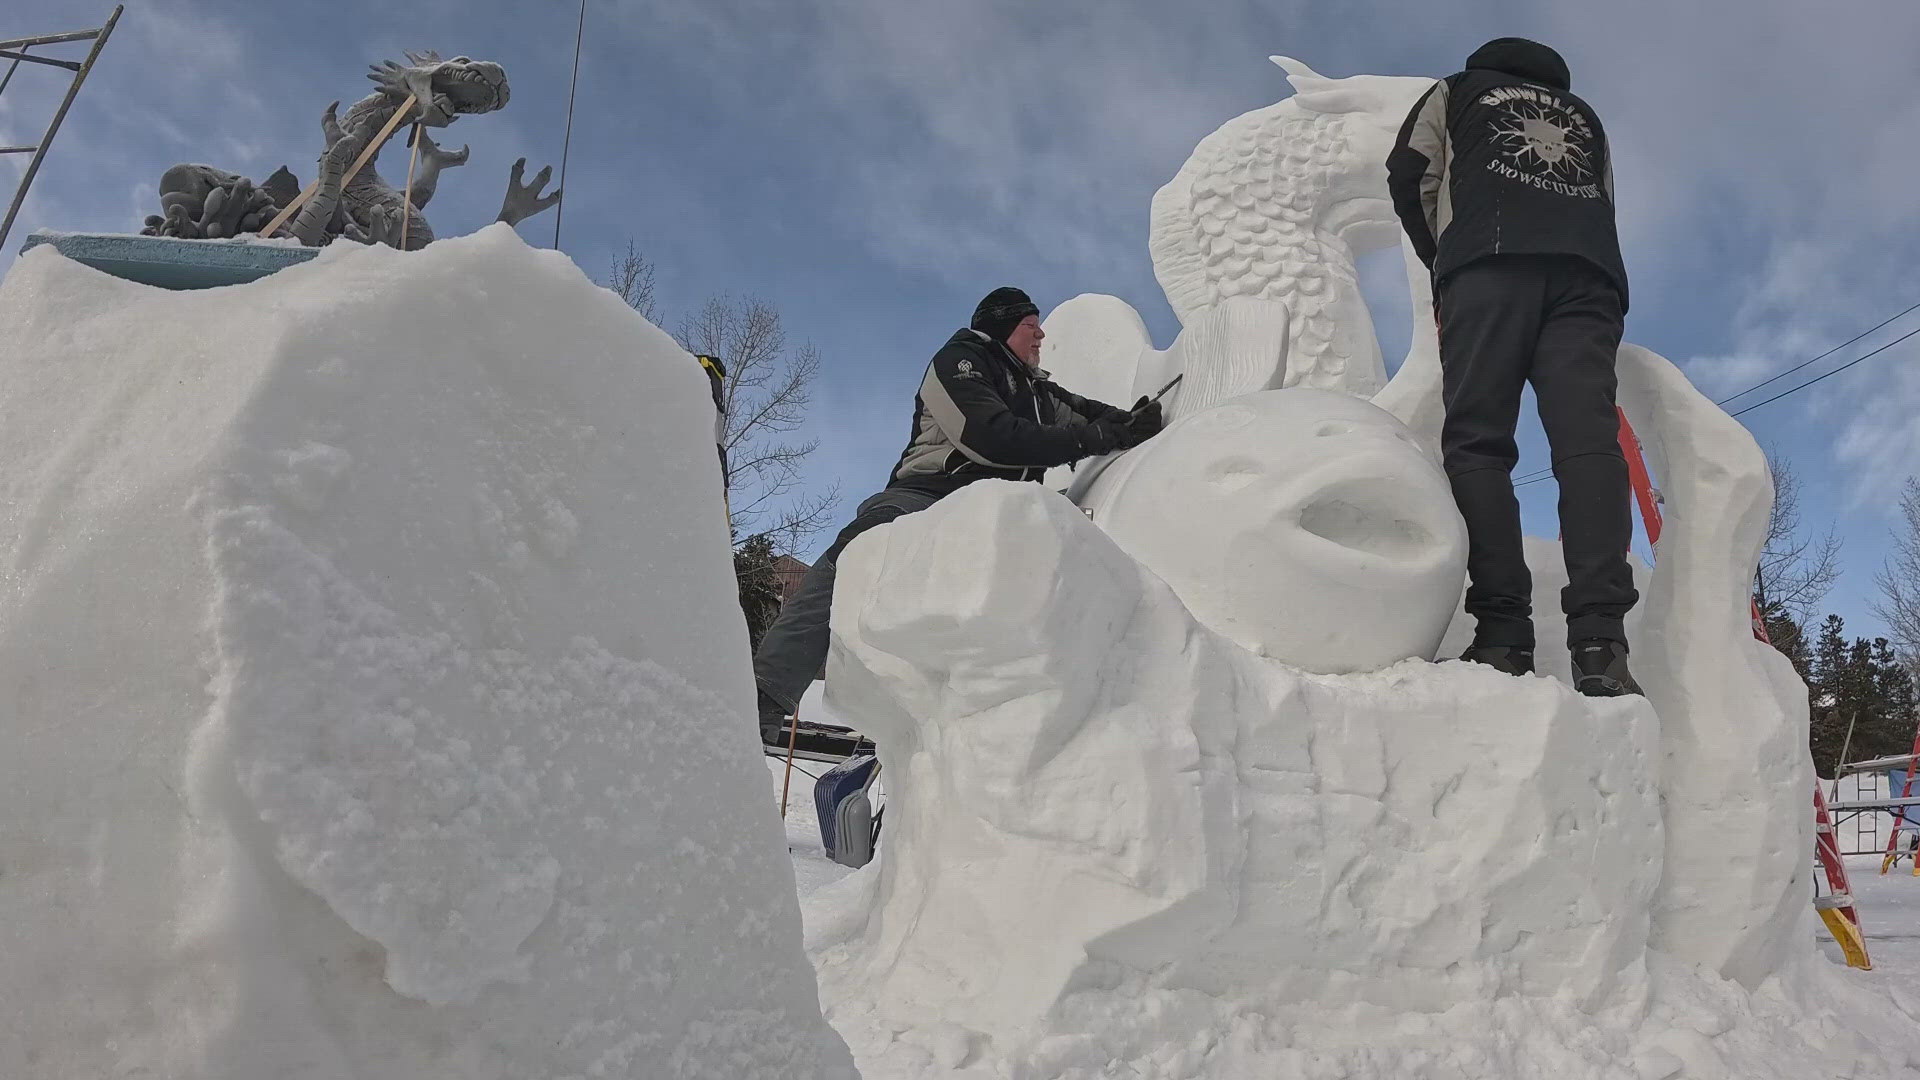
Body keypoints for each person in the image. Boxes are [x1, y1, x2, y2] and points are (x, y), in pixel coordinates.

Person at [752, 287, 1164, 743]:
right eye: (1031, 326)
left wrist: (1130, 424)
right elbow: (989, 436)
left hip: (994, 506)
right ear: (1003, 328)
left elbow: (1086, 415)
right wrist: (1095, 438)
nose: (1041, 334)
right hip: (926, 494)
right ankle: (764, 695)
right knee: (852, 558)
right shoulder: (960, 363)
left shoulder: (1036, 390)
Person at [1386, 37, 1641, 696]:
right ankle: (1601, 643)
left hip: (1487, 261)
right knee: (1588, 444)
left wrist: (1441, 253)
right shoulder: (1584, 115)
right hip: (1587, 277)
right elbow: (1604, 198)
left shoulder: (1455, 90)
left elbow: (1409, 170)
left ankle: (1503, 636)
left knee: (1478, 441)